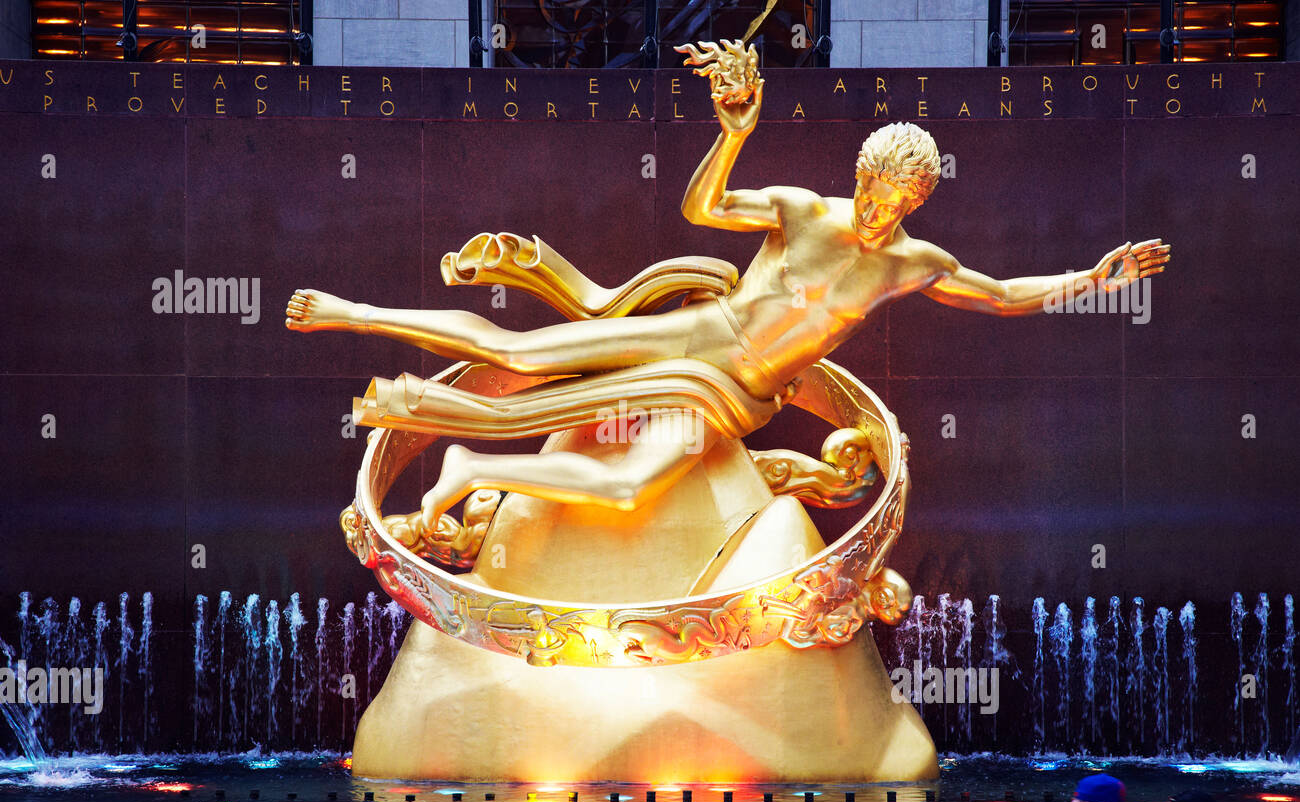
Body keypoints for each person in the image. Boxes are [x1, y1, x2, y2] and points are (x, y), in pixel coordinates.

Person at [285, 39, 1170, 555]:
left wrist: (1094, 277)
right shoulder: (799, 210)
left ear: (917, 202)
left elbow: (1006, 295)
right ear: (858, 176)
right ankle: (352, 311)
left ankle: (472, 468)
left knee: (629, 484)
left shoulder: (913, 261)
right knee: (516, 354)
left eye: (896, 203)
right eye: (870, 191)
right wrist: (733, 131)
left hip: (737, 399)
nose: (875, 211)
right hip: (695, 339)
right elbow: (702, 207)